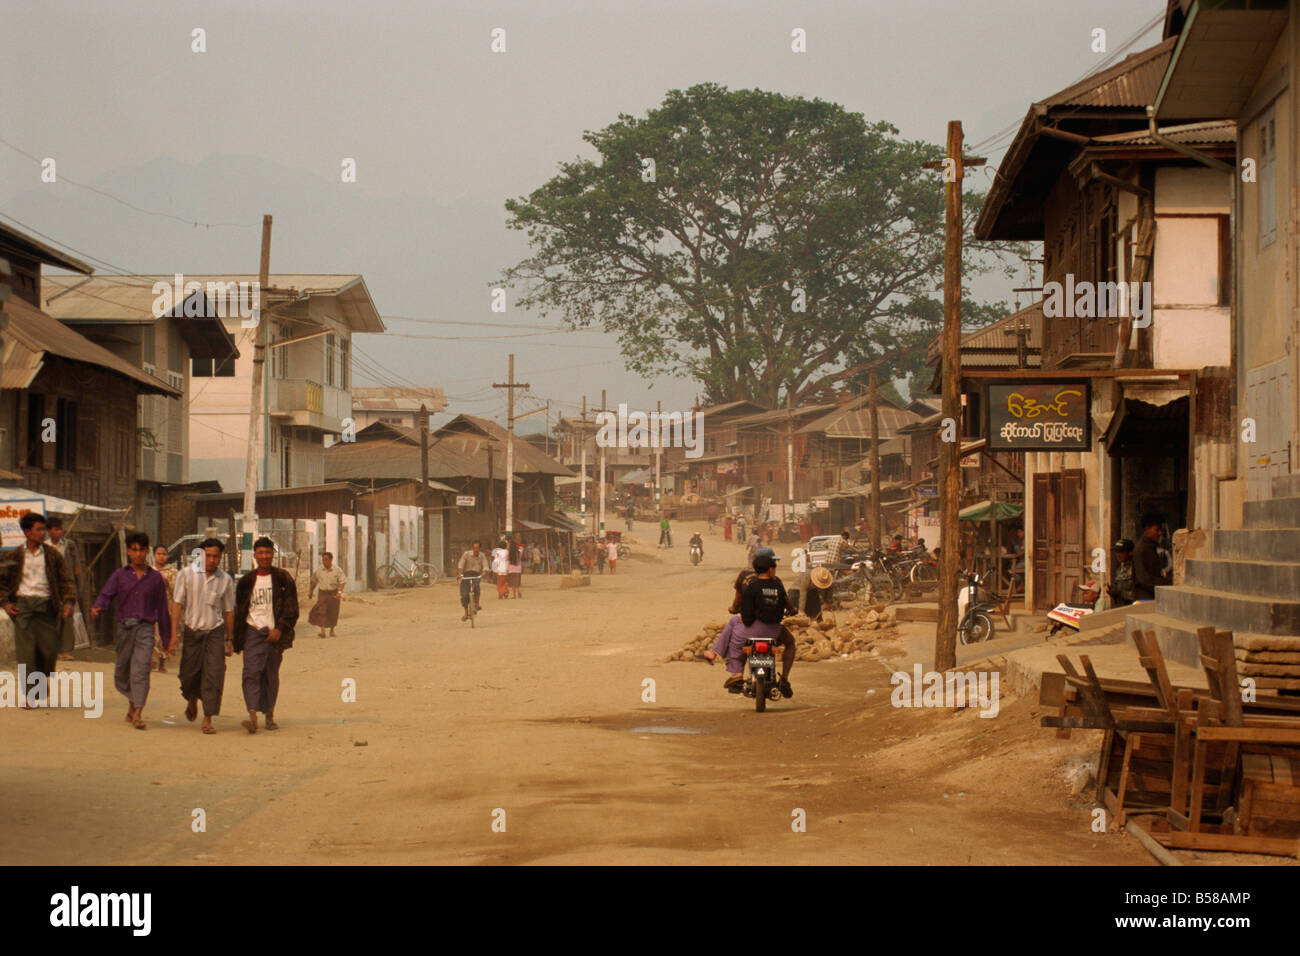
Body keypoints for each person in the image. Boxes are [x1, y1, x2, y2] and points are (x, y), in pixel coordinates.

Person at [92, 532, 172, 730]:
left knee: (141, 669)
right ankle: (131, 702)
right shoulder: (120, 575)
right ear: (128, 551)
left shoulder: (155, 579)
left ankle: (138, 712)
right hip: (125, 629)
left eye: (141, 550)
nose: (137, 554)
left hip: (145, 629)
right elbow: (106, 594)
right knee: (123, 671)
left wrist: (167, 637)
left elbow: (162, 609)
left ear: (147, 552)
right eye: (134, 550)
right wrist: (98, 606)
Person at [0, 513, 76, 708]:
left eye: (44, 529)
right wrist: (6, 603)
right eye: (39, 529)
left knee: (49, 650)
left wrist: (68, 601)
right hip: (23, 608)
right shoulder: (14, 556)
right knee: (26, 653)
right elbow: (2, 582)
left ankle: (41, 680)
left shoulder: (53, 556)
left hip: (47, 607)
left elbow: (66, 579)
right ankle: (31, 696)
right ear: (27, 532)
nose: (44, 533)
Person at [698, 549, 796, 696]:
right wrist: (791, 611)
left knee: (736, 642)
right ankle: (785, 679)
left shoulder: (748, 582)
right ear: (770, 570)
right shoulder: (778, 585)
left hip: (751, 628)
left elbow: (743, 610)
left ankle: (735, 673)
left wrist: (744, 618)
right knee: (791, 643)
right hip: (775, 631)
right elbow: (787, 605)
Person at [232, 538, 298, 733]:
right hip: (252, 631)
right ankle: (252, 714)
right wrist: (235, 638)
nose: (264, 557)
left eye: (268, 553)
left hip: (274, 632)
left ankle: (269, 715)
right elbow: (240, 610)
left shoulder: (283, 579)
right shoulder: (246, 582)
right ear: (254, 555)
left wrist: (280, 629)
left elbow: (291, 608)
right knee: (251, 672)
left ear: (273, 554)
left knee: (270, 675)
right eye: (260, 553)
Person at [171, 537, 235, 734]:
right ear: (201, 555)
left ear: (221, 557)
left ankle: (208, 717)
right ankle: (191, 698)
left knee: (214, 674)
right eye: (208, 556)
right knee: (188, 674)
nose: (212, 560)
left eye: (216, 556)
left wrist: (229, 639)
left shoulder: (225, 580)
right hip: (192, 631)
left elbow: (229, 611)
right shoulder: (186, 575)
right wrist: (174, 634)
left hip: (214, 632)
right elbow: (177, 604)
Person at [45, 516, 81, 662]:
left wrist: (76, 585)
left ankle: (65, 650)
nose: (59, 532)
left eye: (60, 529)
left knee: (67, 617)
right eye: (55, 529)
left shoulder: (69, 545)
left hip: (66, 585)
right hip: (48, 586)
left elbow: (77, 566)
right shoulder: (44, 546)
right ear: (49, 531)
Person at [152, 545, 178, 672]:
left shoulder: (172, 572)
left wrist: (165, 582)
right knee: (151, 634)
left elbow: (176, 591)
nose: (161, 556)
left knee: (163, 633)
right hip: (150, 607)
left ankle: (162, 662)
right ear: (154, 555)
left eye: (163, 554)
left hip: (166, 607)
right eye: (158, 554)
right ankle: (151, 660)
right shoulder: (148, 571)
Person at [308, 551, 346, 638]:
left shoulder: (337, 570)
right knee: (321, 610)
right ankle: (323, 631)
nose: (324, 561)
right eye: (323, 560)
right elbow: (314, 581)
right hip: (323, 593)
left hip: (333, 593)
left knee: (333, 612)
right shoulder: (319, 570)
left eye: (326, 559)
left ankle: (332, 630)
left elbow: (342, 581)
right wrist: (310, 591)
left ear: (331, 560)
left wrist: (339, 592)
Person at [1133, 513, 1170, 601]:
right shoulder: (1141, 549)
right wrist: (1167, 584)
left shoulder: (1151, 548)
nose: (1160, 533)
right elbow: (1143, 578)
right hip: (1145, 599)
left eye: (1161, 530)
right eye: (1157, 530)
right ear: (1147, 529)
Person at [458, 540, 488, 620]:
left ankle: (477, 604)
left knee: (476, 588)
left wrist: (484, 573)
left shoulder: (482, 556)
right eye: (474, 548)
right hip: (466, 575)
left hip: (476, 574)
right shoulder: (466, 554)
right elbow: (461, 565)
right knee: (464, 594)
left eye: (477, 548)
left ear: (480, 548)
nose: (476, 549)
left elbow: (485, 565)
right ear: (472, 548)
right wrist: (460, 574)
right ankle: (466, 613)